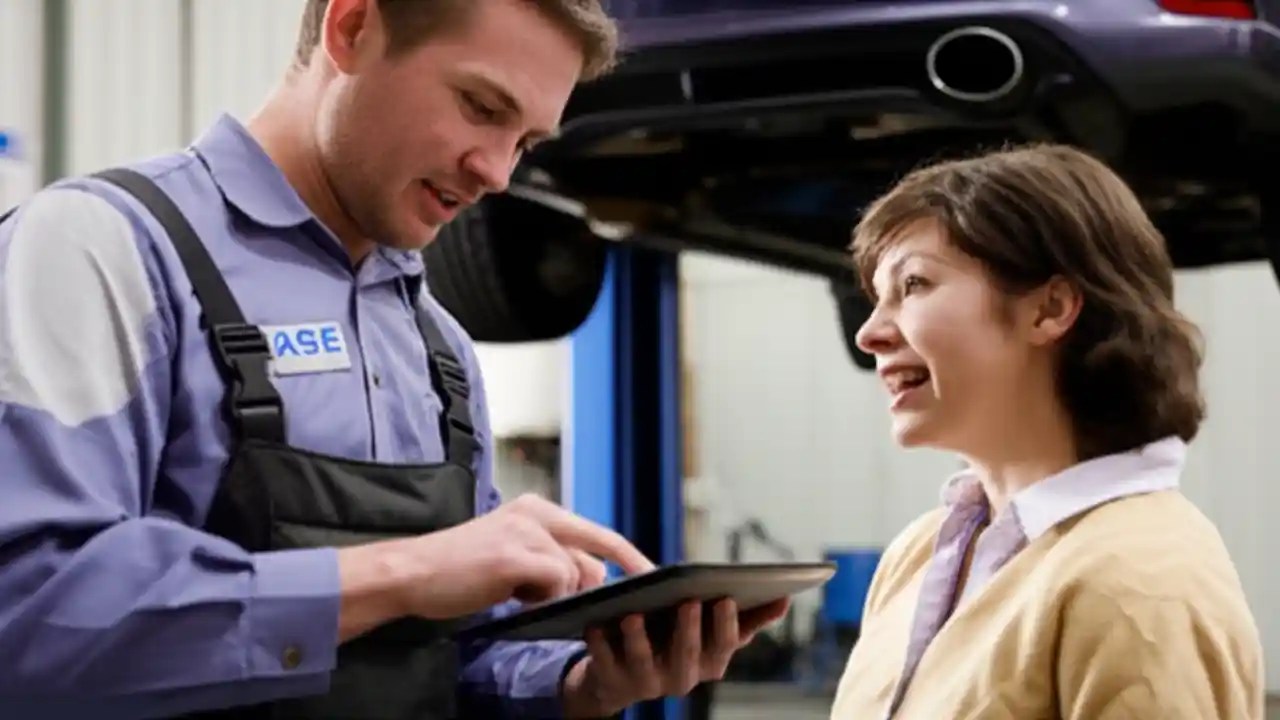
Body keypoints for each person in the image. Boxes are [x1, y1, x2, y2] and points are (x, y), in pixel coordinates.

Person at [0, 0, 788, 717]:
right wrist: (403, 572)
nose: (498, 172)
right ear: (350, 28)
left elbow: (449, 658)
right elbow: (28, 615)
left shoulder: (434, 344)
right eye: (481, 108)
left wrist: (580, 685)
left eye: (525, 141)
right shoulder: (103, 250)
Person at [828, 144, 1264, 719]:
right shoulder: (922, 552)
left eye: (913, 286)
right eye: (876, 298)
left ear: (1050, 308)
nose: (870, 334)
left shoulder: (1136, 581)